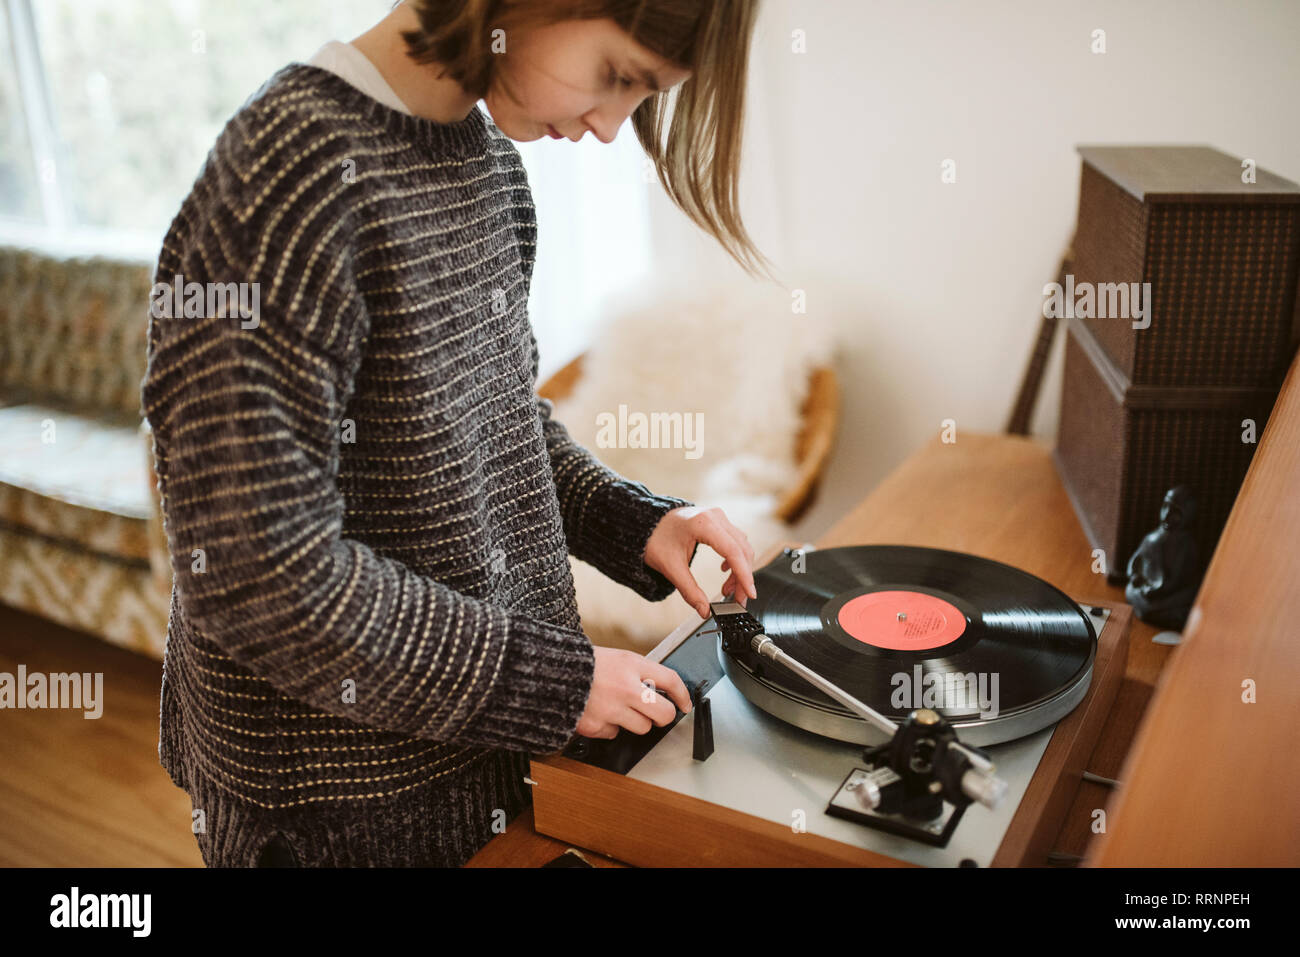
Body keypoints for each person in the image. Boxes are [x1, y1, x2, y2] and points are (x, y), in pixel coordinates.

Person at [141, 0, 769, 867]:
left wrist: (637, 522)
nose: (609, 126)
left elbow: (497, 428)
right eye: (618, 76)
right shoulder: (286, 178)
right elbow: (259, 578)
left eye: (643, 98)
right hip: (340, 811)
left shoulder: (492, 167)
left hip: (486, 760)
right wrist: (555, 682)